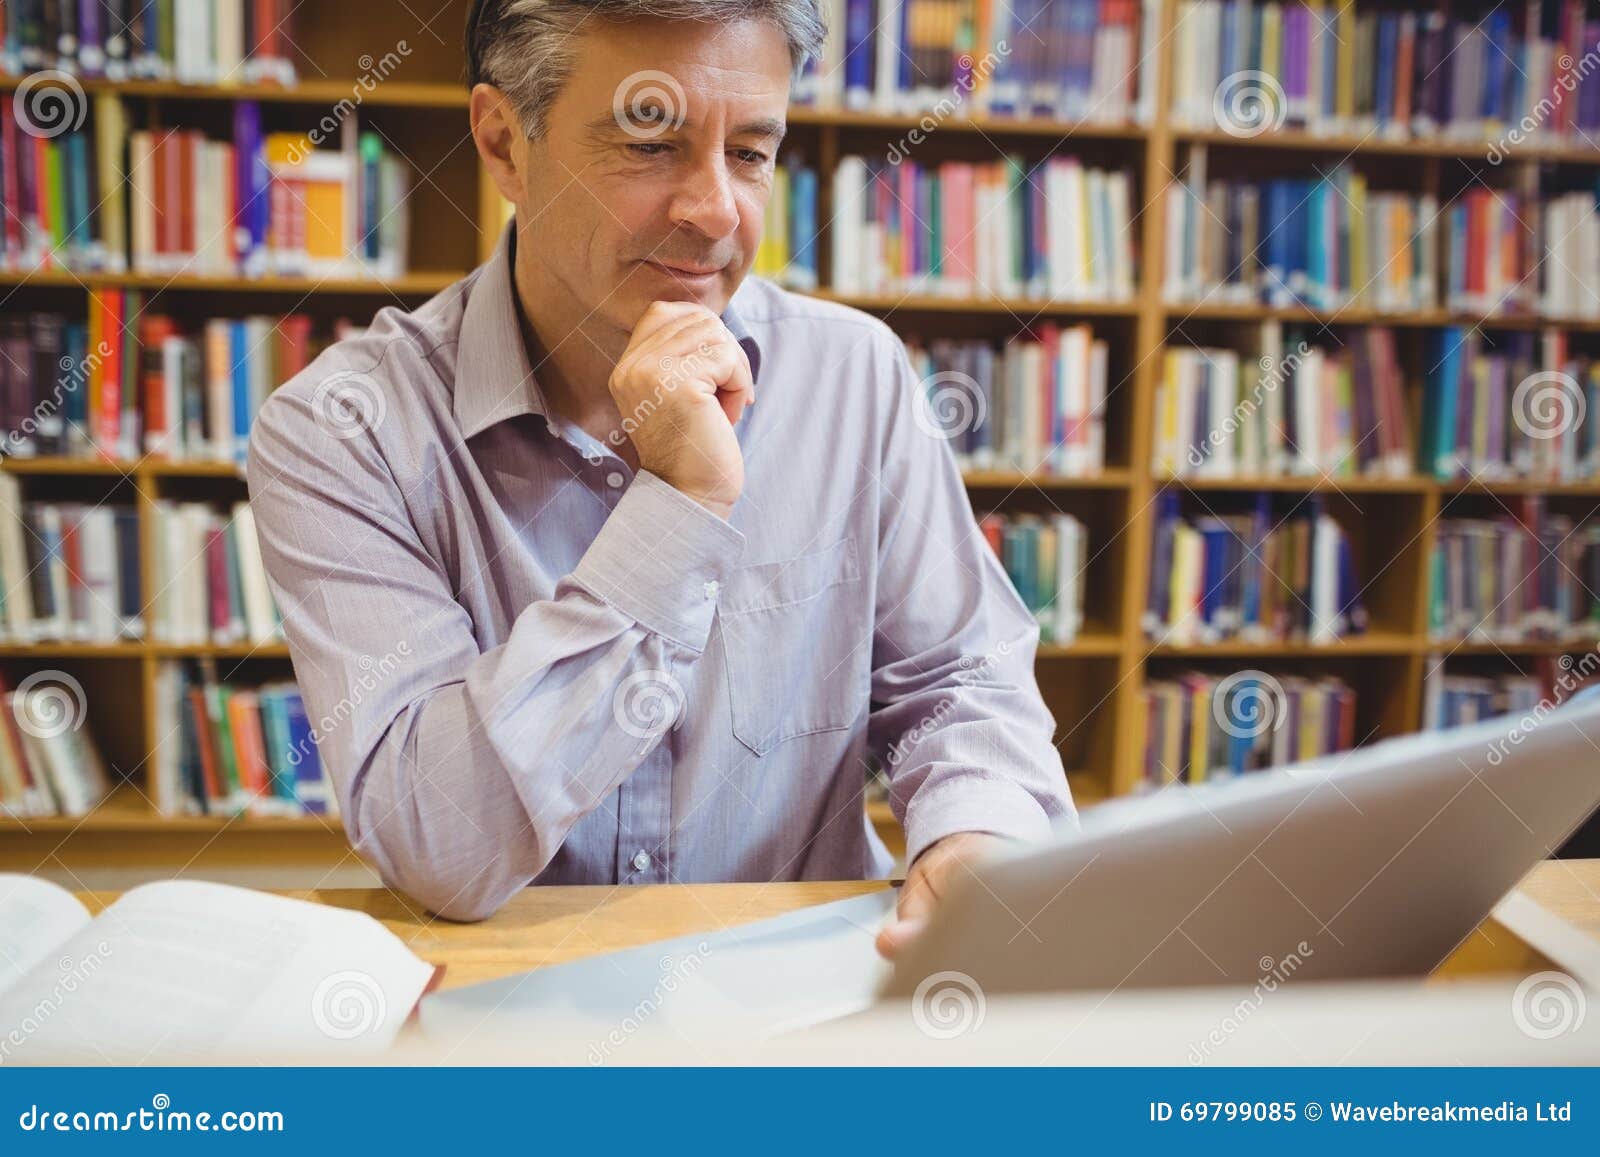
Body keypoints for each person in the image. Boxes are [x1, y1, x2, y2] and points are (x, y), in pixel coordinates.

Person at [246, 0, 1075, 953]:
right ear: (505, 142)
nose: (717, 210)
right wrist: (678, 507)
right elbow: (442, 844)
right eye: (650, 141)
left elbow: (961, 681)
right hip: (505, 1016)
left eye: (753, 153)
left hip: (789, 1011)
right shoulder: (347, 431)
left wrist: (979, 833)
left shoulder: (857, 376)